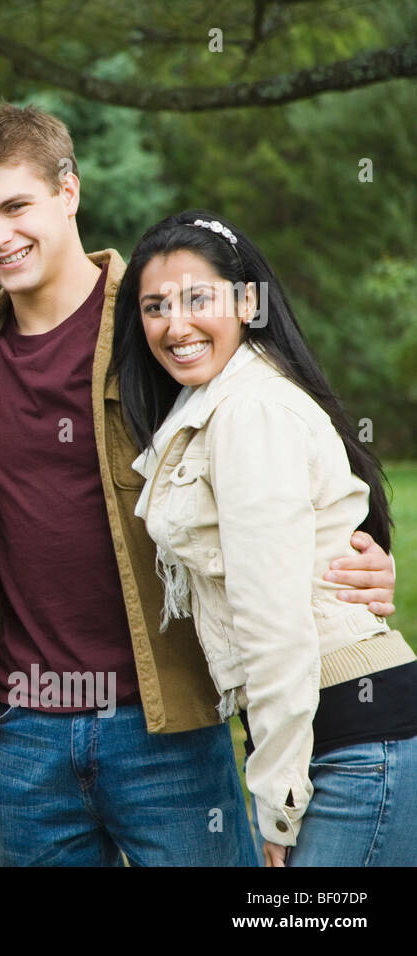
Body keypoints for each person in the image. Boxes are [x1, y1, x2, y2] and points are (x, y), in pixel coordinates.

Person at [0, 104, 399, 866]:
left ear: (69, 192)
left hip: (166, 721)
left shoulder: (163, 323)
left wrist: (357, 556)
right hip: (28, 731)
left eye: (17, 206)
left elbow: (290, 443)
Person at [113, 210, 417, 867]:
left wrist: (278, 801)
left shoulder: (247, 412)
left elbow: (272, 621)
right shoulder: (218, 405)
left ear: (248, 301)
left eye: (199, 298)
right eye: (155, 306)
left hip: (352, 741)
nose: (175, 324)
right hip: (339, 732)